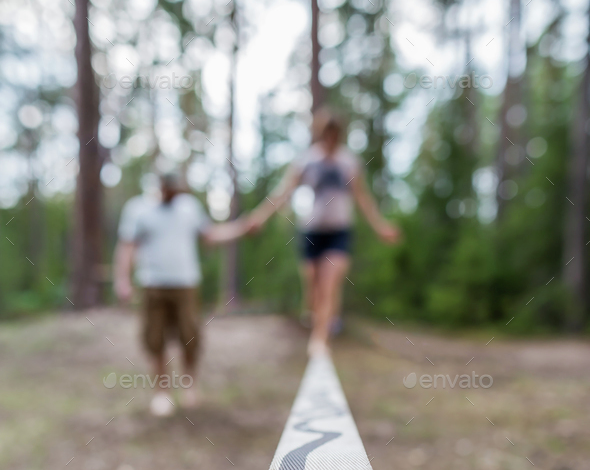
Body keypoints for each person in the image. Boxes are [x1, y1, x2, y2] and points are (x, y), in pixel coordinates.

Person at [245, 108, 401, 355]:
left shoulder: (349, 162)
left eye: (335, 133)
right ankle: (318, 318)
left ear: (340, 134)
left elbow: (363, 198)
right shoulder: (307, 160)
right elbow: (284, 192)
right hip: (311, 231)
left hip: (339, 231)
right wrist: (260, 216)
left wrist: (380, 226)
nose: (331, 138)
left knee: (331, 282)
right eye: (326, 133)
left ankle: (319, 339)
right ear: (319, 133)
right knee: (313, 287)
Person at [114, 173, 247, 417]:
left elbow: (211, 235)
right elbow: (127, 245)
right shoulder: (138, 209)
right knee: (155, 338)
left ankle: (189, 386)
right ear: (160, 187)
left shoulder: (190, 207)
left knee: (190, 336)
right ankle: (161, 392)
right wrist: (122, 279)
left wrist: (241, 228)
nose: (172, 193)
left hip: (186, 284)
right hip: (152, 284)